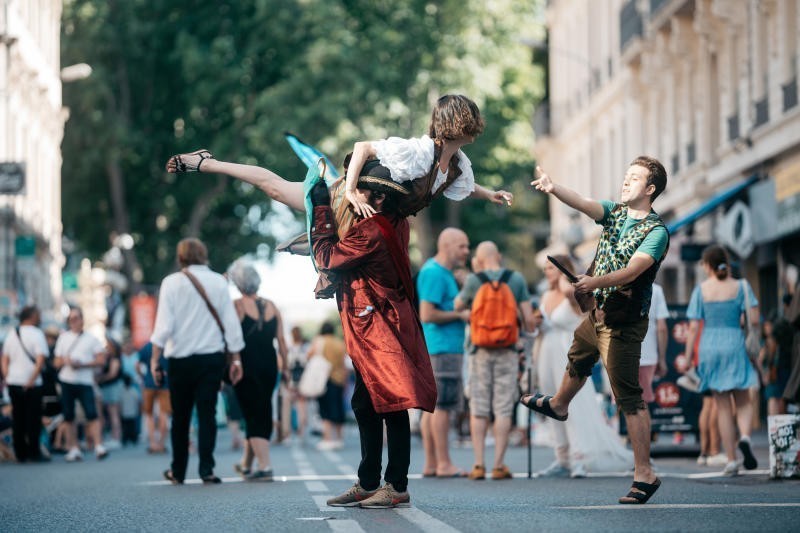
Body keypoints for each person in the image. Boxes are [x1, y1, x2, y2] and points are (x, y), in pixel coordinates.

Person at [165, 95, 513, 296]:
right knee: (274, 188)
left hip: (378, 222)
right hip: (349, 202)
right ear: (458, 123)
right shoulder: (418, 151)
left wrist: (491, 195)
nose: (476, 128)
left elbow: (461, 188)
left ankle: (309, 245)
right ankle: (205, 163)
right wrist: (347, 189)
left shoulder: (456, 166)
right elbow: (362, 147)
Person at [521, 158, 669, 505]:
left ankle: (644, 473)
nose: (626, 181)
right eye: (626, 175)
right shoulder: (614, 212)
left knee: (628, 397)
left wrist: (593, 282)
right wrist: (553, 187)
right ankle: (559, 404)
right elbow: (583, 202)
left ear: (650, 189)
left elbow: (634, 271)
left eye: (635, 178)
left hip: (624, 323)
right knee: (578, 356)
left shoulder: (656, 232)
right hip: (599, 314)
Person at [311, 162, 436, 509]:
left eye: (360, 189)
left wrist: (321, 210)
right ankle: (368, 482)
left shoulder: (371, 232)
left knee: (391, 404)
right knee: (365, 404)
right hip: (381, 324)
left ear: (378, 198)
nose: (352, 194)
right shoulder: (394, 223)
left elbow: (327, 257)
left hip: (380, 327)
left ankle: (395, 486)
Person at [150, 238, 245, 485]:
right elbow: (230, 325)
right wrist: (235, 360)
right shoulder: (218, 281)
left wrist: (154, 360)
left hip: (179, 359)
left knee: (180, 417)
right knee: (207, 414)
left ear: (180, 257)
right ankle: (207, 469)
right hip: (210, 359)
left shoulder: (171, 283)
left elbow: (163, 326)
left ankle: (178, 471)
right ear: (204, 255)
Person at [531, 255, 636, 477]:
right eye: (546, 268)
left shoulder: (570, 292)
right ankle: (562, 458)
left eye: (553, 268)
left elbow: (571, 295)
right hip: (546, 351)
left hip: (567, 350)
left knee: (572, 404)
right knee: (550, 403)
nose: (548, 272)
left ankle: (579, 456)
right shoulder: (546, 294)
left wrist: (565, 276)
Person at [454, 241, 535, 480]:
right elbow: (529, 320)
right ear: (498, 255)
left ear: (478, 259)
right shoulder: (516, 279)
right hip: (508, 350)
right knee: (502, 408)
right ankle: (499, 465)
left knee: (478, 407)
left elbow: (457, 306)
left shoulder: (473, 281)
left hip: (479, 350)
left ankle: (478, 464)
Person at [684, 245, 760, 476]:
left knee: (723, 407)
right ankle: (745, 437)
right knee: (744, 400)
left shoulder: (701, 290)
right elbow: (755, 319)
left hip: (709, 347)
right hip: (734, 344)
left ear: (707, 266)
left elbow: (694, 326)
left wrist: (687, 357)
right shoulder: (741, 287)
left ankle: (730, 460)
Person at [417, 227, 471, 478]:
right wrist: (460, 315)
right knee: (443, 407)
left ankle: (432, 463)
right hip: (443, 347)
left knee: (433, 408)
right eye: (462, 246)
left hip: (438, 347)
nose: (466, 251)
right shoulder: (435, 273)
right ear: (447, 245)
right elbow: (427, 314)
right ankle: (444, 463)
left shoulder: (437, 272)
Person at [228, 260, 288, 482]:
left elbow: (232, 339)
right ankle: (246, 464)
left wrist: (233, 363)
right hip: (270, 365)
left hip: (246, 366)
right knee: (260, 409)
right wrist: (287, 367)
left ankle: (265, 466)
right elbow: (281, 340)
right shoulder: (272, 305)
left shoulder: (237, 306)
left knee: (253, 414)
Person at [54, 307, 109, 461]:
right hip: (67, 380)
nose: (74, 321)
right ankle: (74, 448)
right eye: (71, 319)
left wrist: (82, 364)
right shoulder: (63, 338)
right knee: (69, 416)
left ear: (82, 319)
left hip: (85, 381)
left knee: (92, 414)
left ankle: (98, 446)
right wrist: (67, 361)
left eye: (77, 318)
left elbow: (101, 360)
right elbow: (56, 361)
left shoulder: (91, 339)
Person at [1, 305, 48, 462]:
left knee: (18, 418)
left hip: (14, 381)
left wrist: (8, 376)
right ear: (32, 316)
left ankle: (20, 453)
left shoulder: (11, 334)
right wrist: (31, 380)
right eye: (38, 314)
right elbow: (40, 360)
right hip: (32, 383)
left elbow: (4, 358)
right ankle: (34, 453)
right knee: (33, 419)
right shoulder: (37, 334)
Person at [309, 322, 348, 451]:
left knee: (325, 410)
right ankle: (339, 438)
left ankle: (327, 439)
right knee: (338, 408)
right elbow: (344, 364)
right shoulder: (340, 343)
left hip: (324, 380)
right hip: (338, 379)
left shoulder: (319, 341)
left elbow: (309, 356)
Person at [137, 342, 171, 454]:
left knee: (149, 414)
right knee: (164, 414)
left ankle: (152, 443)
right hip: (165, 384)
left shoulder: (146, 346)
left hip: (149, 383)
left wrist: (143, 376)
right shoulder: (168, 345)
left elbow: (137, 365)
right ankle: (161, 444)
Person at [640, 283, 669, 407]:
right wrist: (662, 359)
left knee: (626, 405)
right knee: (643, 403)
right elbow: (661, 328)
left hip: (622, 357)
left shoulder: (617, 286)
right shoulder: (656, 290)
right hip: (648, 356)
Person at [97, 336, 123, 449]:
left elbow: (112, 374)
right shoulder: (109, 357)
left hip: (112, 387)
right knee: (111, 413)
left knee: (113, 413)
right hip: (108, 387)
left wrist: (100, 378)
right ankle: (113, 437)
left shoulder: (115, 359)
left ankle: (116, 438)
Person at [287, 326, 310, 443]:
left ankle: (294, 430)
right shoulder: (305, 347)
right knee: (303, 405)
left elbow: (285, 364)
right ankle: (302, 429)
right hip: (304, 379)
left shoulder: (290, 348)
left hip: (292, 380)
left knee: (292, 406)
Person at [119, 374, 141, 446]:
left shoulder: (122, 391)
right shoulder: (134, 391)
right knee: (131, 426)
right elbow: (138, 401)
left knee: (126, 427)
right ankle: (132, 439)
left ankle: (127, 439)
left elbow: (120, 402)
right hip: (131, 412)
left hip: (125, 412)